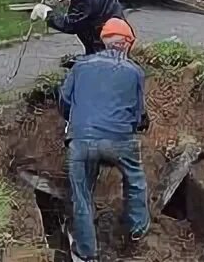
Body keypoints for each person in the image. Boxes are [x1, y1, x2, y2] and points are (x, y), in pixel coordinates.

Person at [58, 18, 150, 261]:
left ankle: (87, 252)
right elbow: (139, 114)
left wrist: (77, 122)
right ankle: (137, 230)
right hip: (119, 140)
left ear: (104, 41)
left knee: (81, 194)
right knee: (135, 179)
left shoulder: (79, 66)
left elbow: (65, 101)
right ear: (127, 44)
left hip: (80, 141)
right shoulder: (135, 72)